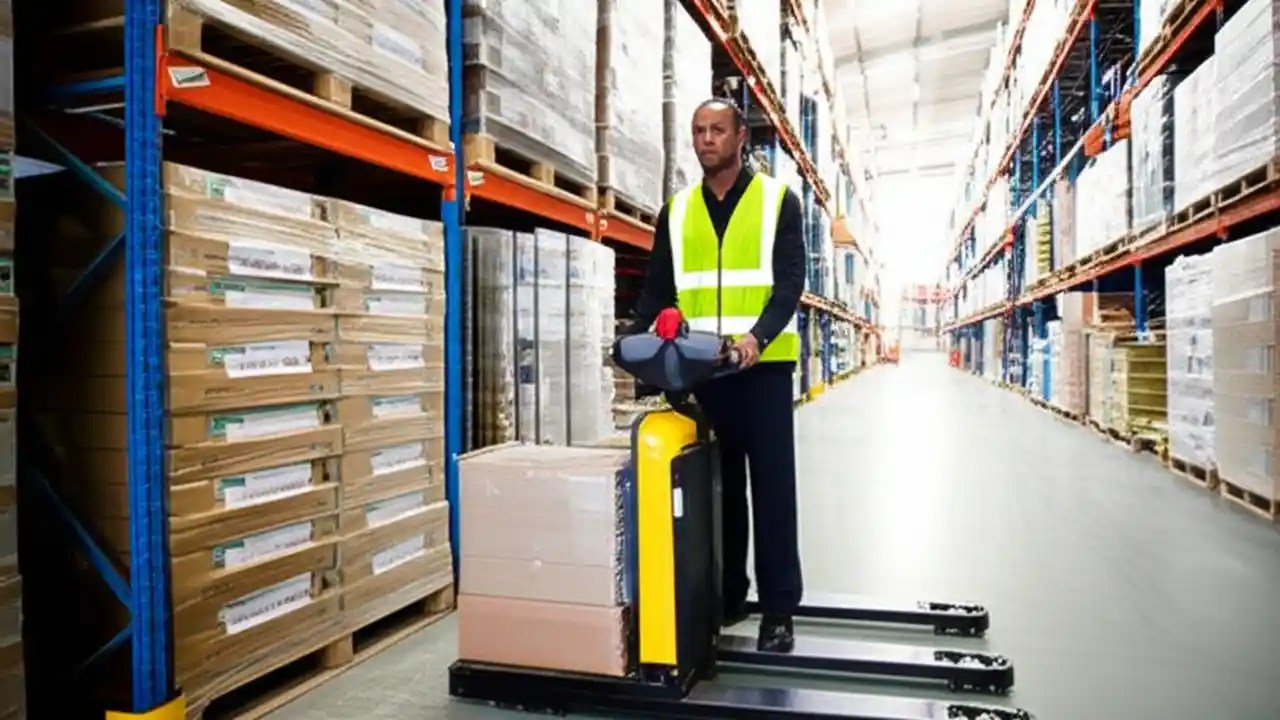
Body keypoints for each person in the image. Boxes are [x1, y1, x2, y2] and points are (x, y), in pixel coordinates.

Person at [626, 97, 805, 653]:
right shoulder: (677, 211)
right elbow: (659, 289)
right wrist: (632, 341)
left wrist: (758, 337)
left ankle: (779, 609)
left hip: (763, 369)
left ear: (740, 137)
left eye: (718, 130)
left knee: (773, 490)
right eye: (699, 131)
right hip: (705, 371)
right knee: (720, 490)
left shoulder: (777, 201)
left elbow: (789, 283)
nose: (707, 139)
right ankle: (729, 595)